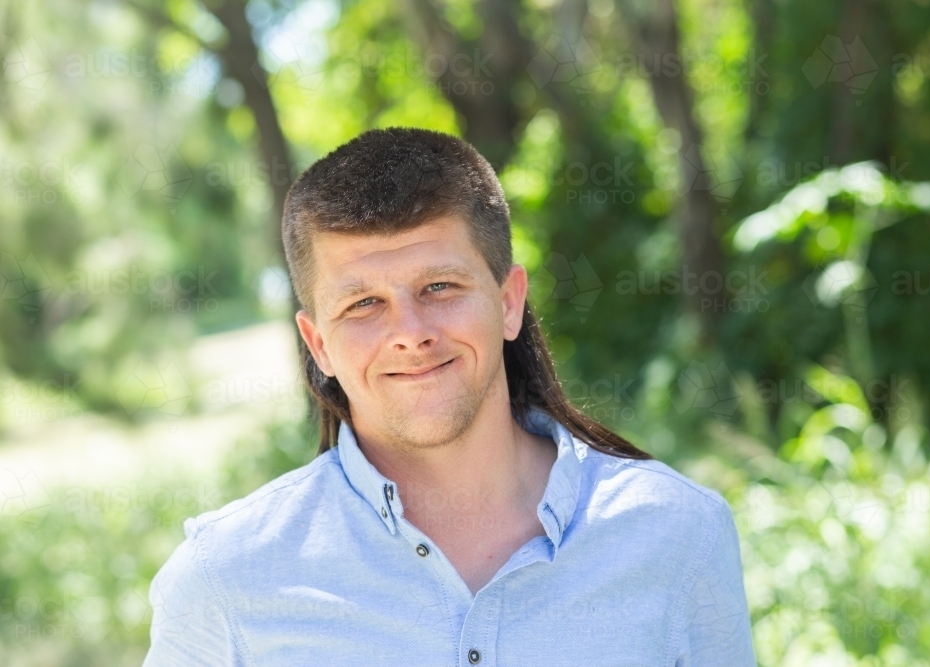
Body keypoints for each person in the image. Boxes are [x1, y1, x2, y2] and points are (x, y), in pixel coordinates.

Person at [142, 127, 757, 666]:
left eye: (439, 286)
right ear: (318, 344)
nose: (410, 333)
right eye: (363, 303)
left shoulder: (679, 534)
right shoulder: (224, 582)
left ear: (509, 302)